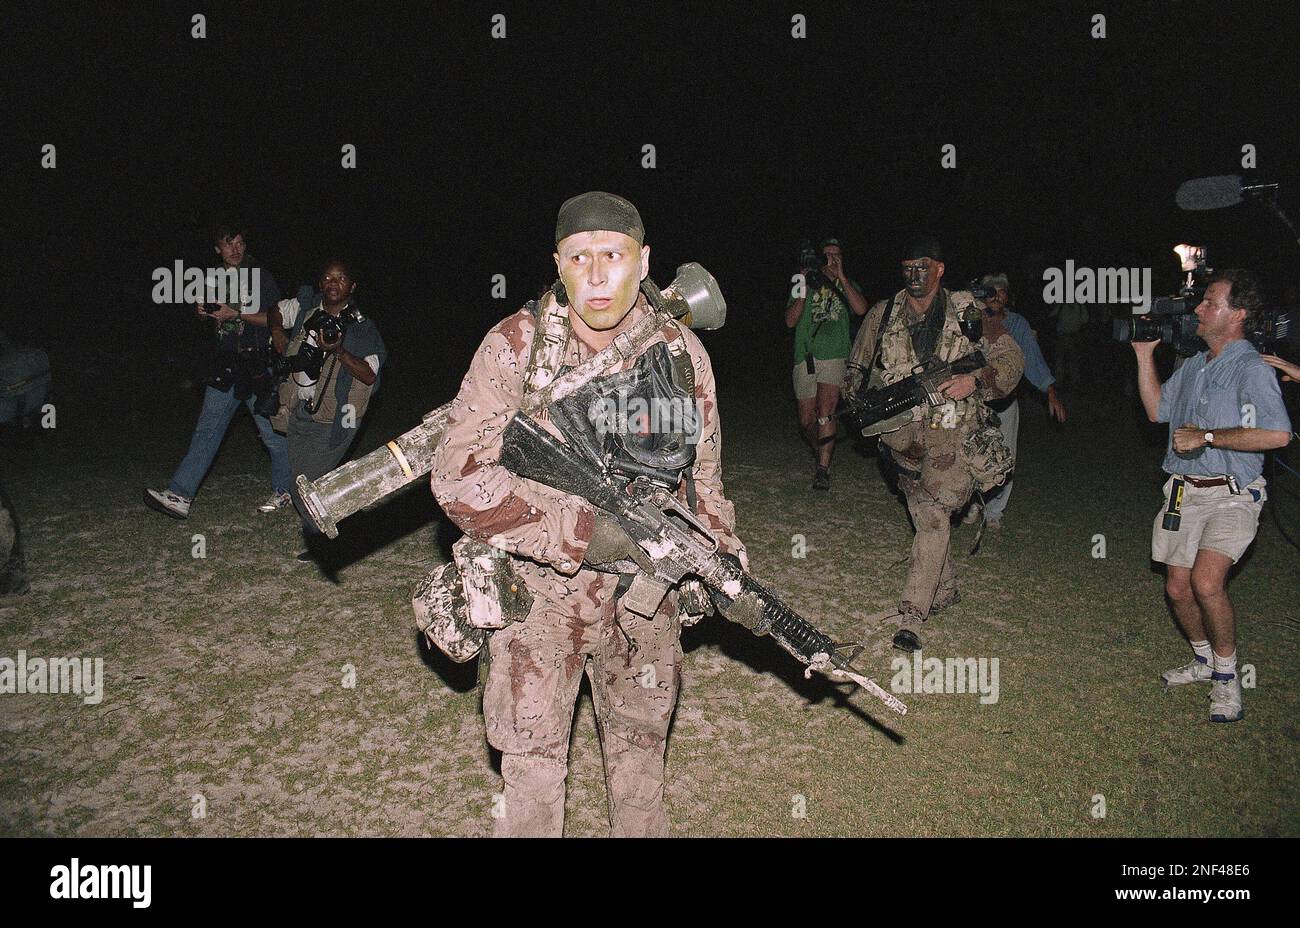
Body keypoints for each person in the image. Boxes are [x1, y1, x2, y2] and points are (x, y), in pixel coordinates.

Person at [430, 192, 745, 837]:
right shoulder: (516, 349)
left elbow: (703, 479)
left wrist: (722, 552)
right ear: (557, 263)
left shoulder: (682, 355)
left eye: (614, 255)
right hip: (538, 595)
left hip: (643, 597)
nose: (598, 275)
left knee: (637, 762)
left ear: (644, 259)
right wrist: (578, 530)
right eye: (579, 257)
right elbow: (458, 479)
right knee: (534, 767)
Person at [844, 238, 1023, 652]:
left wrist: (974, 381)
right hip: (902, 437)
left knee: (934, 512)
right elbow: (857, 367)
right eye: (907, 267)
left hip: (955, 434)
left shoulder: (969, 311)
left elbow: (1011, 361)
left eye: (923, 266)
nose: (914, 275)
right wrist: (863, 403)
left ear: (940, 268)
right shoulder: (883, 313)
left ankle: (912, 613)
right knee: (921, 509)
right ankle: (945, 588)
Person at [1132, 270, 1291, 723]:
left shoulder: (1250, 368)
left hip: (1231, 495)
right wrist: (1145, 357)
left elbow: (1277, 434)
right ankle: (1204, 660)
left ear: (1237, 315)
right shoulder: (1194, 365)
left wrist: (1206, 436)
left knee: (1206, 583)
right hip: (1183, 491)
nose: (1198, 309)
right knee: (1178, 589)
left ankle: (1226, 677)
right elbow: (1155, 410)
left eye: (1210, 303)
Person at [144, 221, 288, 519]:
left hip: (258, 365)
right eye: (228, 243)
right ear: (217, 249)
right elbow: (209, 322)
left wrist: (237, 313)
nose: (235, 249)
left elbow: (278, 320)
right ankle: (179, 496)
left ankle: (285, 491)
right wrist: (202, 313)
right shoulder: (211, 279)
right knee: (206, 431)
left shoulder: (260, 277)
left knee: (273, 433)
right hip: (226, 366)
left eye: (239, 243)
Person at [267, 260, 386, 568]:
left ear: (352, 287)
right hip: (299, 411)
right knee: (302, 482)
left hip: (338, 416)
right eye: (328, 277)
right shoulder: (307, 307)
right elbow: (275, 309)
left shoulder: (361, 327)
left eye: (342, 278)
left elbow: (370, 375)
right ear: (320, 283)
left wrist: (338, 351)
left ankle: (331, 543)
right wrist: (277, 330)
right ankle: (329, 535)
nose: (334, 283)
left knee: (303, 484)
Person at [961, 273, 1066, 528]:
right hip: (973, 400)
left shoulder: (1018, 325)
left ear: (1008, 296)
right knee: (968, 451)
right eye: (991, 291)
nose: (996, 296)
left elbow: (1032, 358)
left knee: (1005, 455)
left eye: (1002, 291)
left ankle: (995, 512)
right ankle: (972, 503)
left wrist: (1050, 392)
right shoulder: (969, 317)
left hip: (1005, 400)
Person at [784, 238, 869, 490]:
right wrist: (804, 284)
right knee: (806, 421)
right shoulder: (801, 283)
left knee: (826, 413)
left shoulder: (847, 284)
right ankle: (822, 451)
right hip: (805, 355)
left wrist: (841, 276)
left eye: (837, 255)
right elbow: (790, 321)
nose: (832, 259)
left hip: (834, 355)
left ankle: (822, 468)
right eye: (827, 255)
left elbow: (861, 309)